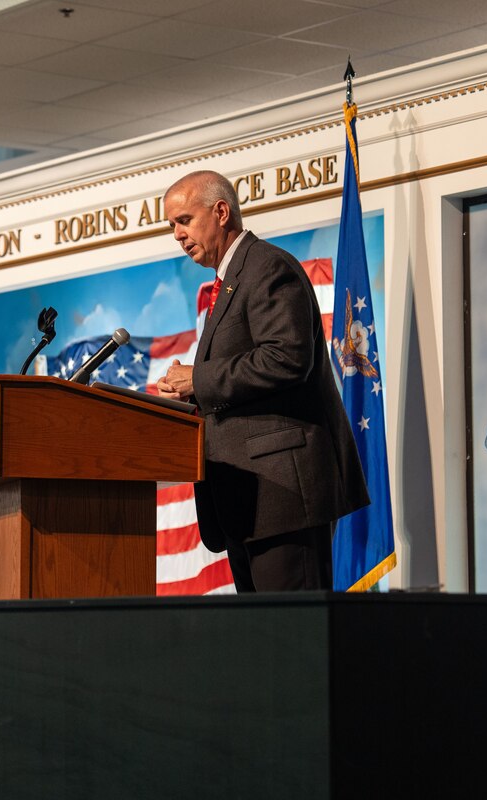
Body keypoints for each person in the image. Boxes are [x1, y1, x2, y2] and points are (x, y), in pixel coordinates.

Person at [155, 170, 369, 592]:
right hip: (249, 500)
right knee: (266, 643)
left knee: (296, 640)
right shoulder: (233, 279)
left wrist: (198, 378)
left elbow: (287, 359)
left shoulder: (268, 267)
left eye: (183, 220)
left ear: (221, 212)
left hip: (284, 494)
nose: (177, 235)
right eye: (171, 226)